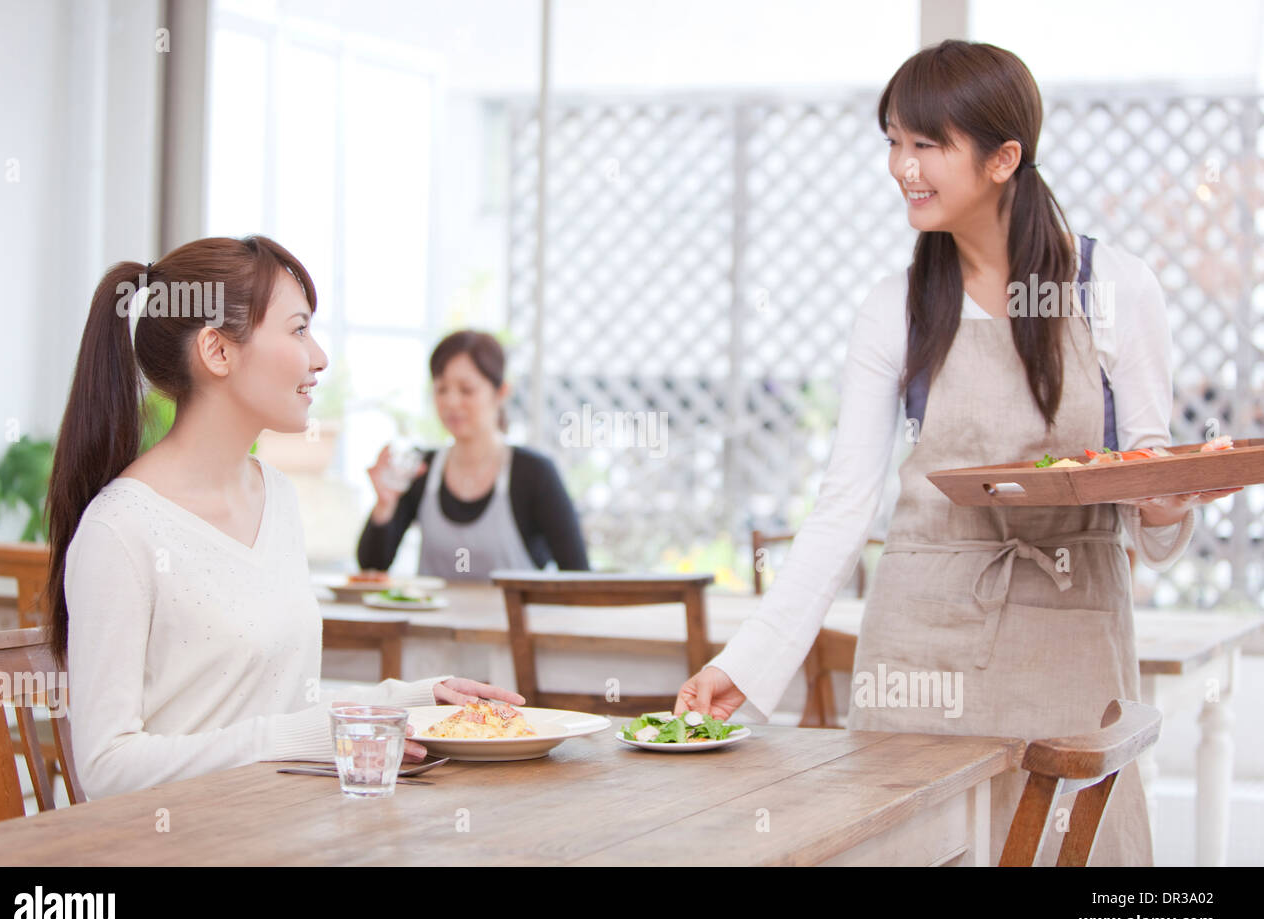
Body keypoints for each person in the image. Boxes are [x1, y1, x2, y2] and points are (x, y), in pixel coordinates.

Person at [673, 41, 1241, 865]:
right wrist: (748, 664)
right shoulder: (894, 307)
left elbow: (1149, 494)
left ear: (1004, 157)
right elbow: (843, 510)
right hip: (917, 648)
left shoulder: (1113, 287)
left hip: (1070, 641)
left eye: (927, 143)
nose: (904, 166)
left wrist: (1170, 494)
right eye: (895, 141)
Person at [45, 236, 521, 800]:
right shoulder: (119, 531)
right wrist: (304, 736)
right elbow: (107, 768)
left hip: (283, 828)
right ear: (218, 352)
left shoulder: (277, 497)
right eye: (298, 330)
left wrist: (413, 699)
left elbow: (281, 708)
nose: (319, 357)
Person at [357, 330, 590, 579]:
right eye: (441, 389)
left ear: (501, 392)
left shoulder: (534, 473)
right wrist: (384, 507)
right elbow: (372, 567)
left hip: (513, 619)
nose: (451, 402)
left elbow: (578, 576)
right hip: (432, 619)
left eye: (466, 390)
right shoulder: (420, 467)